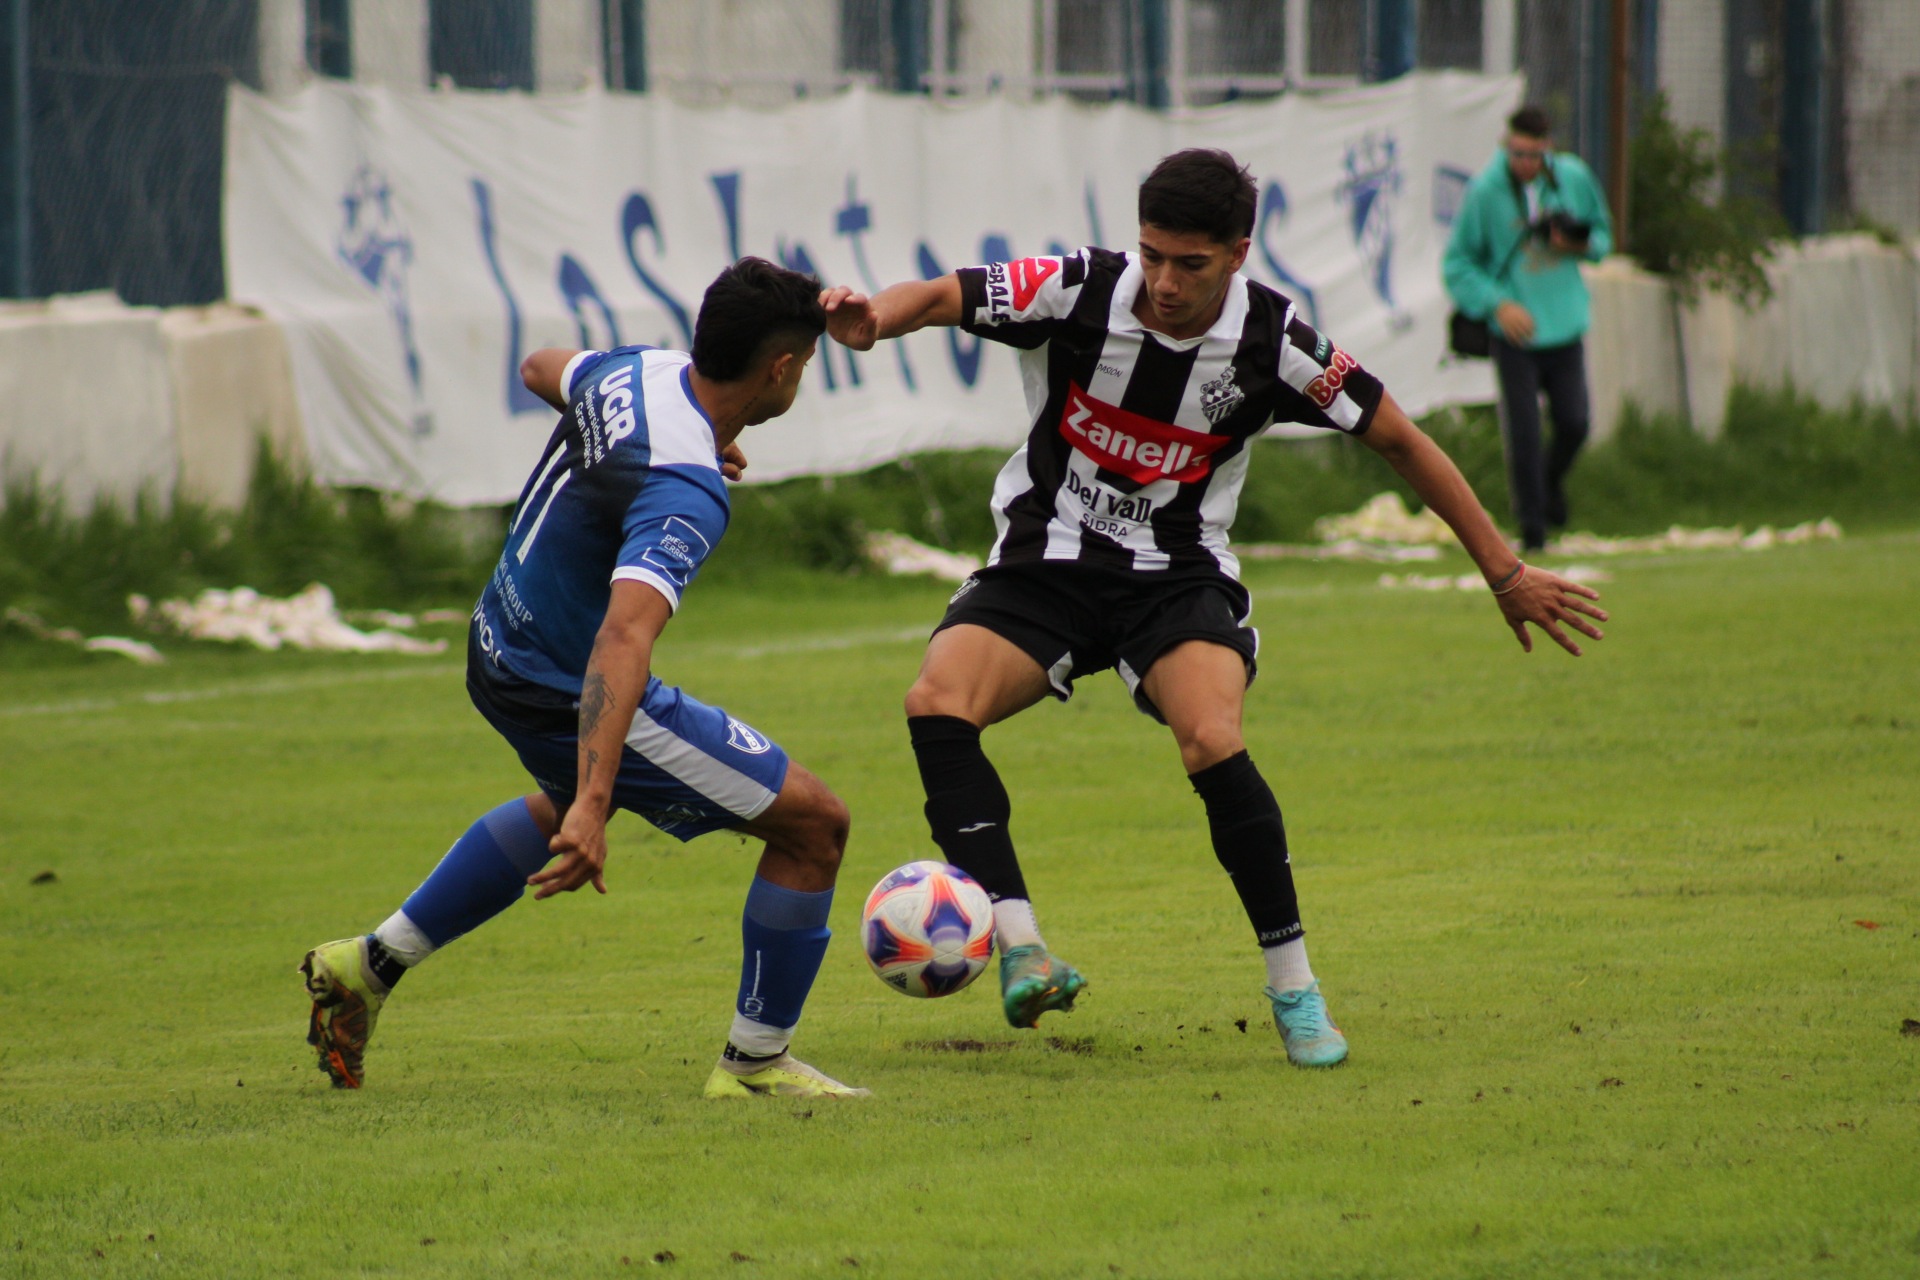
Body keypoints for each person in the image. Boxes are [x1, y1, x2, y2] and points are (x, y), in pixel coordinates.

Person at [821, 148, 1608, 1068]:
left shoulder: (1276, 343)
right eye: (1151, 254)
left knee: (1210, 736)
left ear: (1238, 252)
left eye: (1189, 264)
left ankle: (1295, 990)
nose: (1162, 281)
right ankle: (1019, 941)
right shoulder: (1080, 288)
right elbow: (945, 293)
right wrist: (875, 318)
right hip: (1048, 564)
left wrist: (1504, 571)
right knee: (936, 700)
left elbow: (1399, 438)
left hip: (1177, 575)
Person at [300, 258, 869, 1100]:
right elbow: (623, 638)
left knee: (558, 800)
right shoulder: (685, 488)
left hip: (494, 640)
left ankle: (367, 966)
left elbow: (540, 366)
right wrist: (598, 803)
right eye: (806, 365)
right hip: (558, 678)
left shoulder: (638, 370)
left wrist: (651, 451)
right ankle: (754, 1068)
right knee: (815, 826)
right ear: (780, 370)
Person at [1443, 104, 1614, 552]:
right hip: (1515, 332)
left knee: (1575, 423)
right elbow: (1458, 264)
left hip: (1565, 323)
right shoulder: (1484, 191)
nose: (1525, 164)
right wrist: (1497, 305)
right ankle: (1532, 530)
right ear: (1506, 146)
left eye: (1534, 155)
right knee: (1523, 432)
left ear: (1548, 150)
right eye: (1517, 153)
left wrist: (1573, 242)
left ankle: (1551, 484)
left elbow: (1603, 240)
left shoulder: (1574, 178)